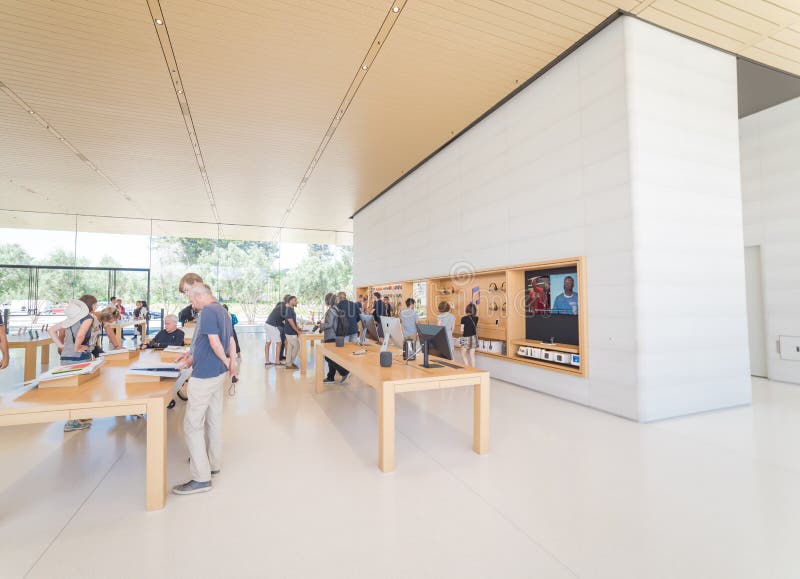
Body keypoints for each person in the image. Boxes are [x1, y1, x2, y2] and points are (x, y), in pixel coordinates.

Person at [173, 283, 236, 496]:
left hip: (206, 374)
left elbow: (215, 342)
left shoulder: (208, 311)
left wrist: (226, 360)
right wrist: (230, 365)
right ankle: (214, 463)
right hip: (218, 374)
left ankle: (201, 478)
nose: (192, 304)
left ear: (200, 296)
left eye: (191, 299)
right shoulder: (223, 311)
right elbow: (231, 341)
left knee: (192, 425)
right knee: (214, 419)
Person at [48, 299, 95, 432]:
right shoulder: (87, 318)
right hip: (79, 358)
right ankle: (73, 421)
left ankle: (75, 418)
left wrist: (61, 346)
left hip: (65, 357)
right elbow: (80, 335)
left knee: (71, 389)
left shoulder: (69, 321)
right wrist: (77, 347)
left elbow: (51, 330)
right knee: (80, 389)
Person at [321, 293, 350, 384]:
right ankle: (330, 377)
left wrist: (320, 326)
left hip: (330, 336)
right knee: (331, 357)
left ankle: (344, 372)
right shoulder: (336, 309)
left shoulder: (330, 311)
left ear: (327, 301)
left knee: (328, 357)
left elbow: (329, 324)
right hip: (336, 335)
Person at [264, 295, 288, 365]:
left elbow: (279, 319)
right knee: (279, 343)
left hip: (267, 324)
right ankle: (277, 362)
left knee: (268, 343)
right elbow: (284, 320)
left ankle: (267, 361)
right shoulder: (284, 308)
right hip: (272, 326)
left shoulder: (279, 305)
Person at [282, 296, 303, 370]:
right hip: (290, 332)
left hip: (291, 332)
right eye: (295, 300)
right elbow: (290, 321)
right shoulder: (289, 310)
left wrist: (297, 328)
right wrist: (297, 331)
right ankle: (290, 363)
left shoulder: (291, 309)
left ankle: (288, 363)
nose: (296, 301)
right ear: (290, 301)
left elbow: (293, 321)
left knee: (290, 348)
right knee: (297, 346)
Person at [459, 303, 479, 367]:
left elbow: (461, 330)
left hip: (466, 337)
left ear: (467, 309)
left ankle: (467, 367)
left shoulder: (463, 318)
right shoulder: (476, 318)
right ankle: (473, 369)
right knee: (472, 355)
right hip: (474, 337)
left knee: (463, 354)